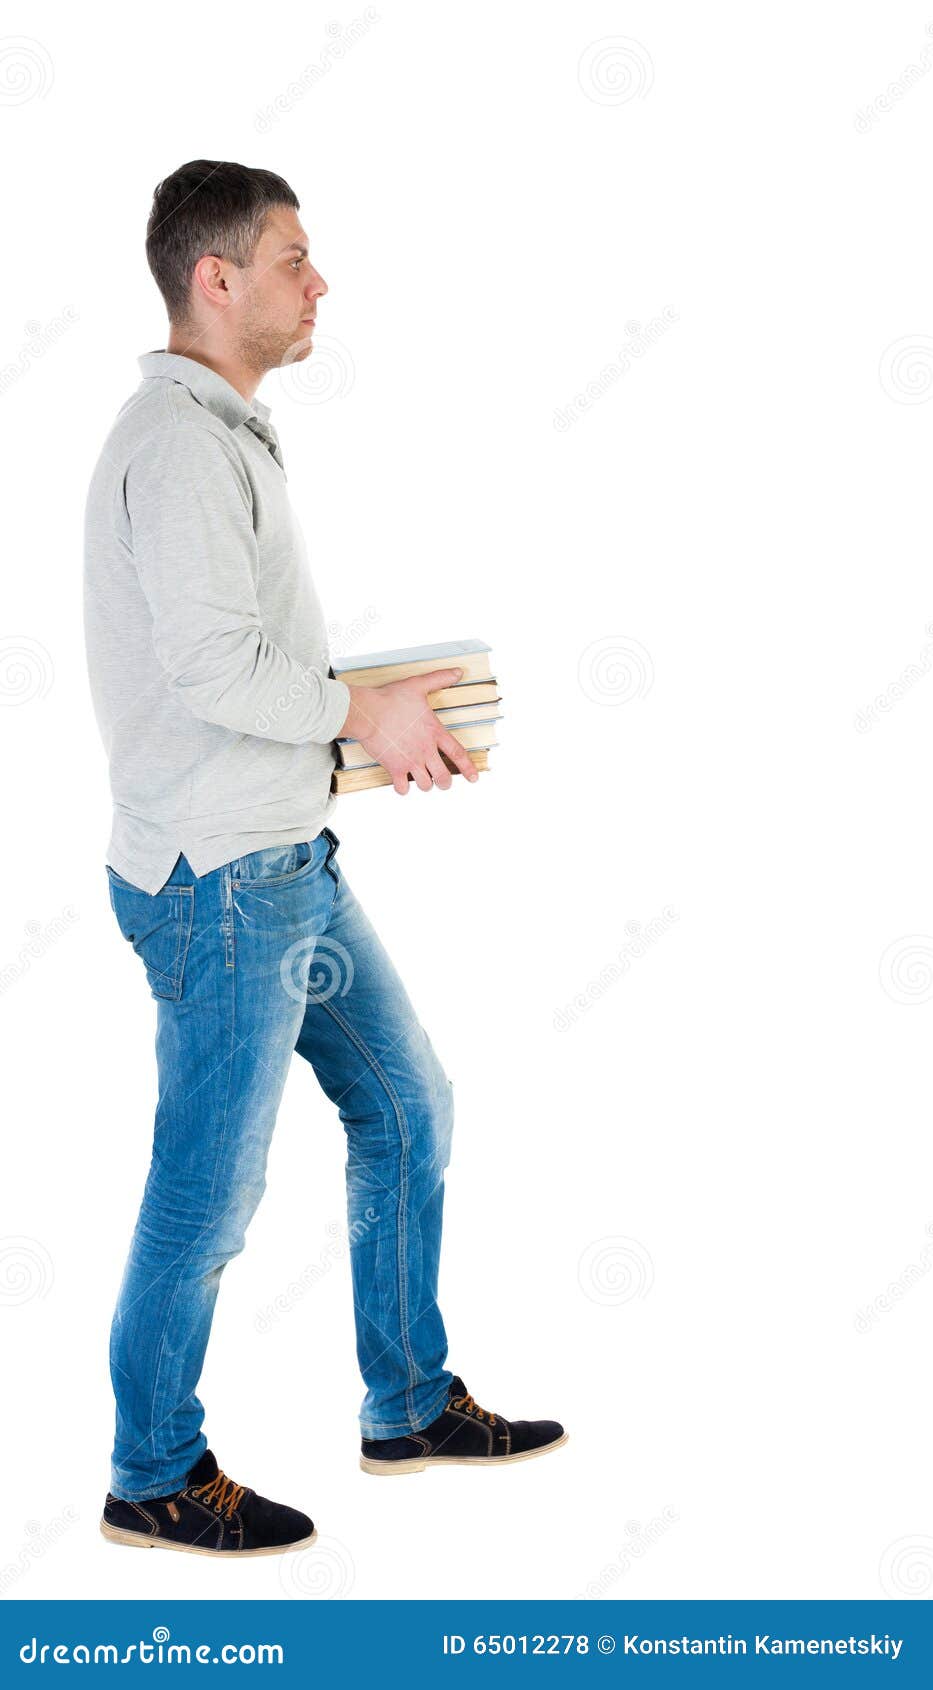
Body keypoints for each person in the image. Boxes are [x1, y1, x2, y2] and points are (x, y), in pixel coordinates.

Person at [82, 159, 566, 1559]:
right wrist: (362, 713)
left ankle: (406, 1401)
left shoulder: (220, 431)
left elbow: (239, 664)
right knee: (208, 1194)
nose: (319, 283)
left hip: (283, 856)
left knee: (407, 1104)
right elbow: (215, 671)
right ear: (214, 278)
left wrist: (377, 714)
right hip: (223, 886)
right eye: (293, 259)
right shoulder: (180, 445)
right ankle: (151, 1473)